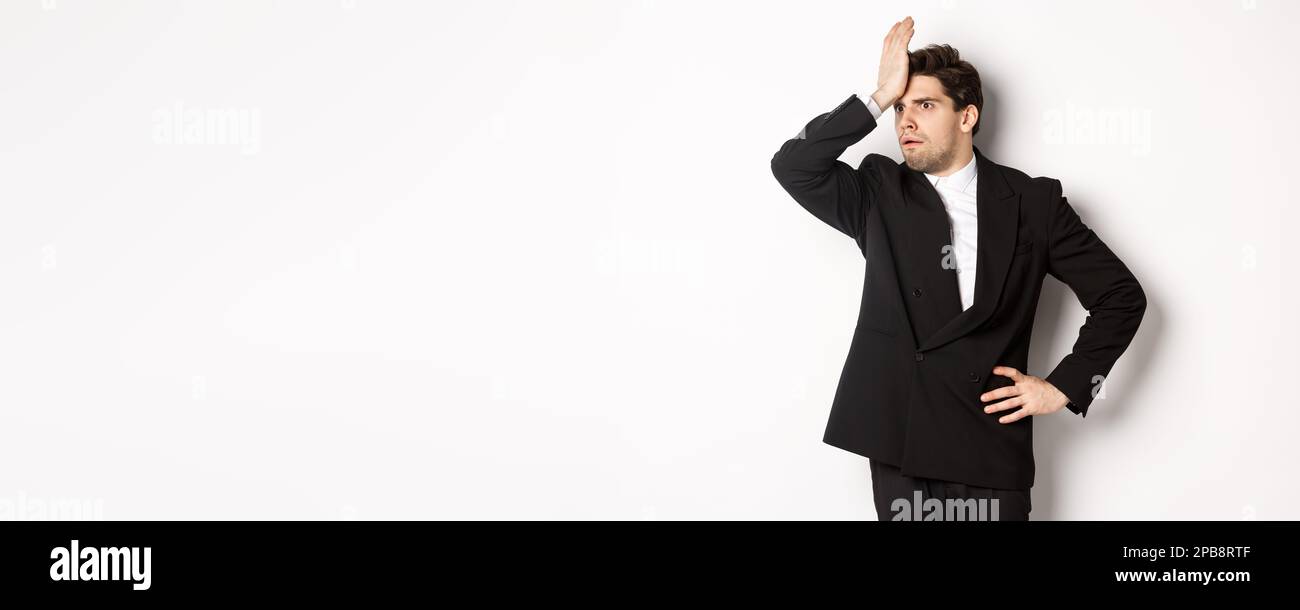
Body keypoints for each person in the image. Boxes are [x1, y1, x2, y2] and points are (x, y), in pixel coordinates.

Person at [770, 17, 1146, 521]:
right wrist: (879, 94)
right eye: (901, 109)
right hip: (903, 444)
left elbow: (1121, 296)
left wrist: (1063, 386)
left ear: (967, 116)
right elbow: (793, 165)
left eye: (924, 105)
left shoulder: (1033, 203)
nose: (905, 121)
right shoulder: (877, 192)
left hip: (989, 444)